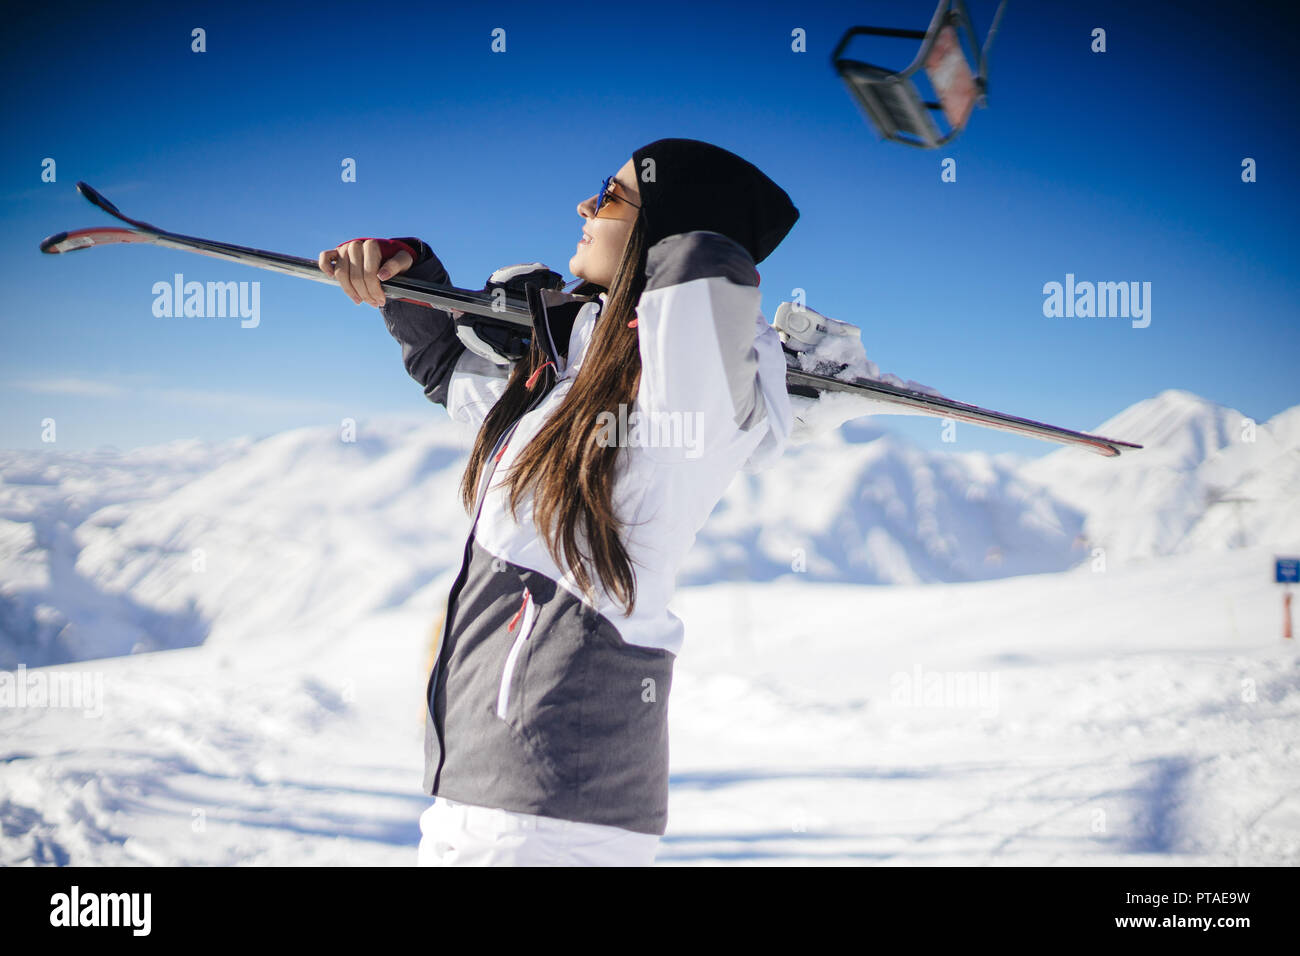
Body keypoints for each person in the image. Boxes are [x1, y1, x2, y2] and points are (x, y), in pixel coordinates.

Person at [318, 138, 799, 865]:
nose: (584, 206)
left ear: (662, 227)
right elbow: (448, 370)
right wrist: (408, 272)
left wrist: (593, 297)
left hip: (552, 820)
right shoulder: (567, 385)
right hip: (474, 797)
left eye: (609, 196)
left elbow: (702, 271)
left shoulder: (683, 404)